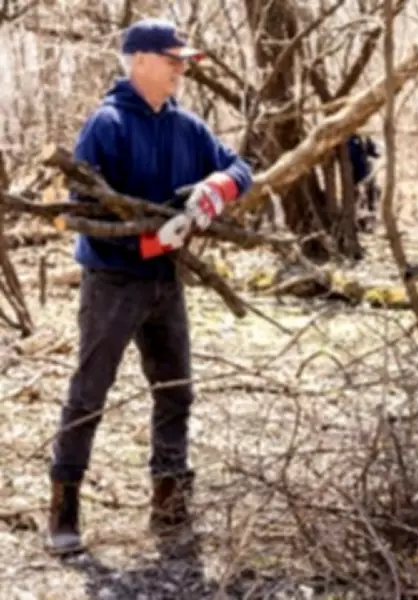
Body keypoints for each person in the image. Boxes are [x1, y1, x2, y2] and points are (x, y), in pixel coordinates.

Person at [46, 17, 253, 556]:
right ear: (139, 61)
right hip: (114, 280)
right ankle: (63, 508)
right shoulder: (107, 124)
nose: (182, 68)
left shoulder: (188, 127)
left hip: (166, 281)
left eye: (184, 60)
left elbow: (242, 167)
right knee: (90, 392)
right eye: (172, 59)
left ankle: (170, 502)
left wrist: (218, 185)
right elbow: (82, 210)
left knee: (175, 392)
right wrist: (147, 244)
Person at [347, 133, 380, 213]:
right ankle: (356, 210)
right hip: (352, 171)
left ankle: (371, 208)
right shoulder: (347, 139)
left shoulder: (364, 136)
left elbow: (373, 151)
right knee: (355, 192)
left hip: (364, 169)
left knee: (370, 187)